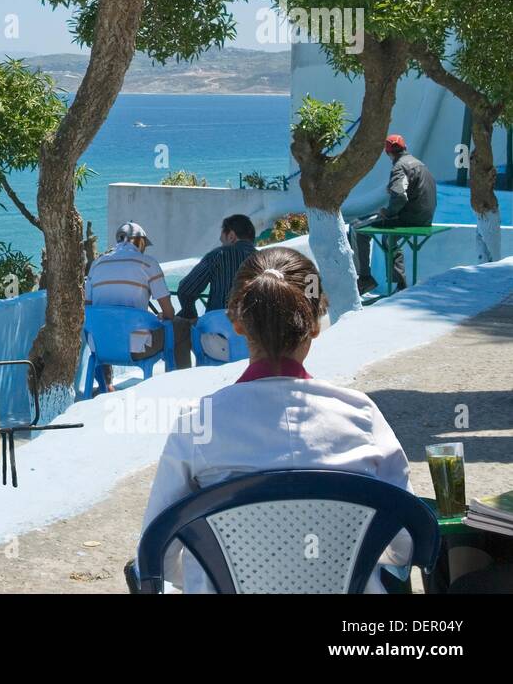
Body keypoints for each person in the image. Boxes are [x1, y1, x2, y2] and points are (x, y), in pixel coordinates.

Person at [132, 246, 415, 593]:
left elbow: (157, 556)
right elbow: (406, 544)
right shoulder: (361, 417)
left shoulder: (198, 424)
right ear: (314, 325)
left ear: (236, 323)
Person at [85, 222, 175, 393]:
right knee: (172, 327)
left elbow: (88, 307)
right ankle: (174, 385)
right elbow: (169, 312)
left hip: (100, 347)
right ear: (140, 243)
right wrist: (163, 316)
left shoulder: (97, 265)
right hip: (137, 349)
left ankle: (105, 386)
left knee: (102, 329)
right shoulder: (148, 264)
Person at [350, 134, 437, 294]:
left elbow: (400, 195)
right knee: (389, 241)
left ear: (387, 153)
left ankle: (364, 278)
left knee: (356, 228)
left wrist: (388, 213)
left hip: (407, 218)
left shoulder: (399, 166)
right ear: (405, 148)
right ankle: (400, 284)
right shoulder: (420, 164)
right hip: (424, 218)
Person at [172, 214, 258, 368]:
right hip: (258, 347)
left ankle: (180, 379)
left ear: (231, 236)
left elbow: (186, 290)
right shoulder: (269, 261)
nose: (221, 242)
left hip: (219, 345)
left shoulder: (219, 255)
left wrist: (190, 313)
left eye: (222, 238)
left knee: (178, 326)